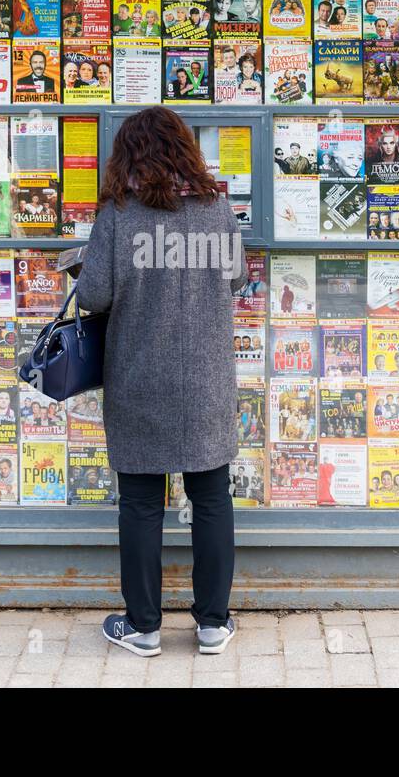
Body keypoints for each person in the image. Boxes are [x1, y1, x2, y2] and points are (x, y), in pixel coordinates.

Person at [77, 106, 247, 658]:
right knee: (212, 497)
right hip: (205, 378)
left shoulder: (118, 214)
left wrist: (85, 263)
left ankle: (144, 627)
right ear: (185, 150)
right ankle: (213, 625)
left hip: (138, 375)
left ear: (128, 155)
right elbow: (236, 275)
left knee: (142, 503)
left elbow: (95, 296)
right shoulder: (216, 207)